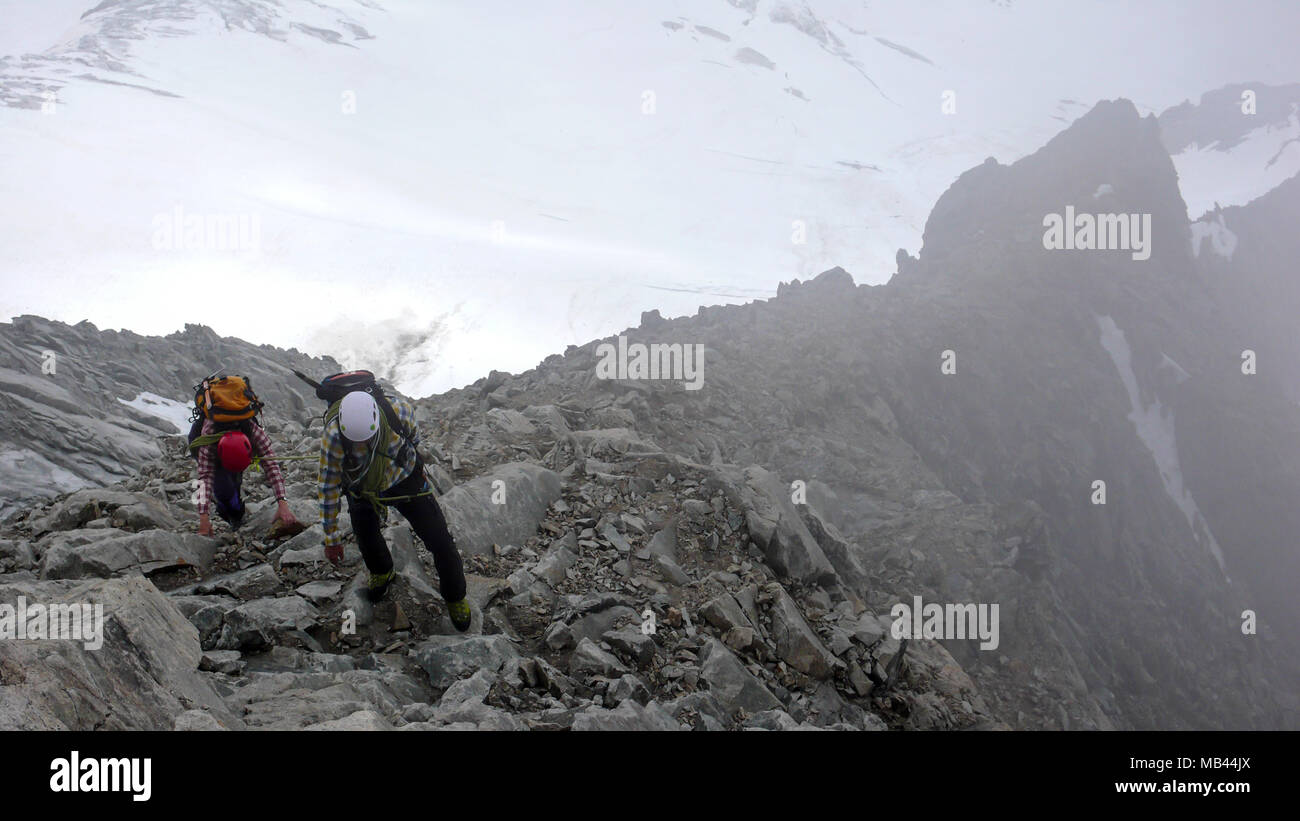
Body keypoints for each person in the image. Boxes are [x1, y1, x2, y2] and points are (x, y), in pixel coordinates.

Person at [318, 389, 471, 631]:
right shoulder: (334, 435)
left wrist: (411, 467)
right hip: (363, 485)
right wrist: (331, 538)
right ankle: (382, 571)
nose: (361, 444)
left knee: (440, 540)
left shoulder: (398, 411)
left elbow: (414, 440)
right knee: (365, 535)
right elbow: (328, 486)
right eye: (355, 440)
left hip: (404, 478)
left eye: (366, 438)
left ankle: (455, 596)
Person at [189, 415, 299, 537]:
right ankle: (228, 510)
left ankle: (235, 510)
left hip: (234, 451)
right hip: (207, 445)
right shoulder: (208, 442)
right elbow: (204, 479)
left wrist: (282, 504)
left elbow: (272, 467)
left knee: (233, 484)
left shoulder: (254, 432)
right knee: (222, 489)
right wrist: (203, 518)